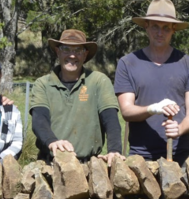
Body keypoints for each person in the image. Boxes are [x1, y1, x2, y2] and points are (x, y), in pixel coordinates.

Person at [114, 0, 189, 162]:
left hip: (180, 155)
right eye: (155, 26)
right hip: (141, 158)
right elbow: (126, 111)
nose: (160, 33)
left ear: (173, 30)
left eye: (166, 28)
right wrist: (153, 108)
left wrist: (179, 129)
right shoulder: (128, 63)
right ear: (146, 27)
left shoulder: (188, 64)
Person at [29, 29, 122, 163]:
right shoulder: (42, 84)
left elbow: (111, 119)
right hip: (50, 162)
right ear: (58, 51)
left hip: (88, 164)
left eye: (78, 50)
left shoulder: (98, 81)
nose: (72, 56)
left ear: (85, 55)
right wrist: (52, 142)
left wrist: (115, 150)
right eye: (66, 49)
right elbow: (39, 120)